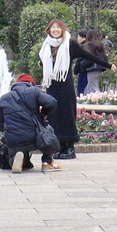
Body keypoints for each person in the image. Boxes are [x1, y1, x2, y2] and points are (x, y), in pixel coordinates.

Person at [38, 18, 80, 163]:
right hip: (52, 86)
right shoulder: (47, 45)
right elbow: (45, 61)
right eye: (52, 27)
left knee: (67, 115)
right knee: (54, 115)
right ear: (49, 30)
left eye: (58, 27)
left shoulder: (69, 44)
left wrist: (107, 64)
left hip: (65, 86)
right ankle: (60, 147)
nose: (55, 30)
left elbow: (87, 55)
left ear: (63, 30)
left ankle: (70, 148)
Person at [0, 73, 58, 173]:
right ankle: (47, 162)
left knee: (15, 147)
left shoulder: (4, 98)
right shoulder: (34, 91)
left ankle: (16, 160)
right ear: (30, 83)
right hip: (33, 137)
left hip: (13, 140)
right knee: (48, 129)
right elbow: (52, 102)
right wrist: (43, 114)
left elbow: (1, 124)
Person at [72, 28, 113, 97]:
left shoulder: (88, 46)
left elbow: (88, 58)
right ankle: (90, 100)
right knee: (91, 86)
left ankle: (98, 99)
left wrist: (82, 66)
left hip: (91, 69)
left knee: (92, 86)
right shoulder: (99, 45)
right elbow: (104, 58)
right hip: (99, 69)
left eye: (78, 36)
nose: (77, 38)